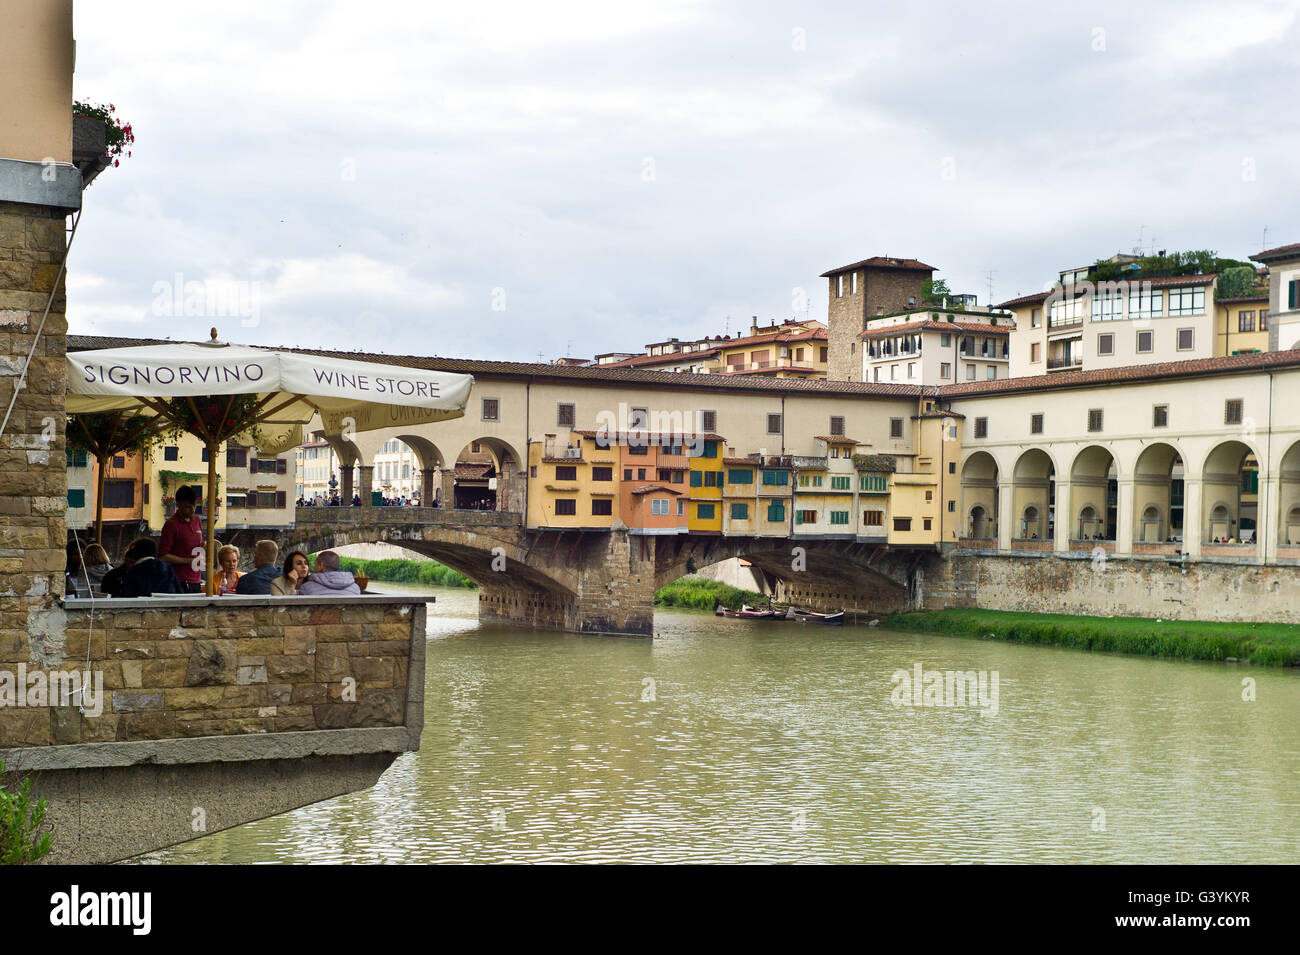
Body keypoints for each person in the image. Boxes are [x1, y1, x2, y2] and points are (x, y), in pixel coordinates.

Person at [159, 485, 204, 593]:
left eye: (193, 506)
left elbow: (200, 544)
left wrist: (204, 547)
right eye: (187, 506)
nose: (192, 509)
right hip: (179, 580)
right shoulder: (171, 525)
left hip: (197, 578)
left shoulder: (197, 521)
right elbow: (163, 556)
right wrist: (189, 561)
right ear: (178, 505)